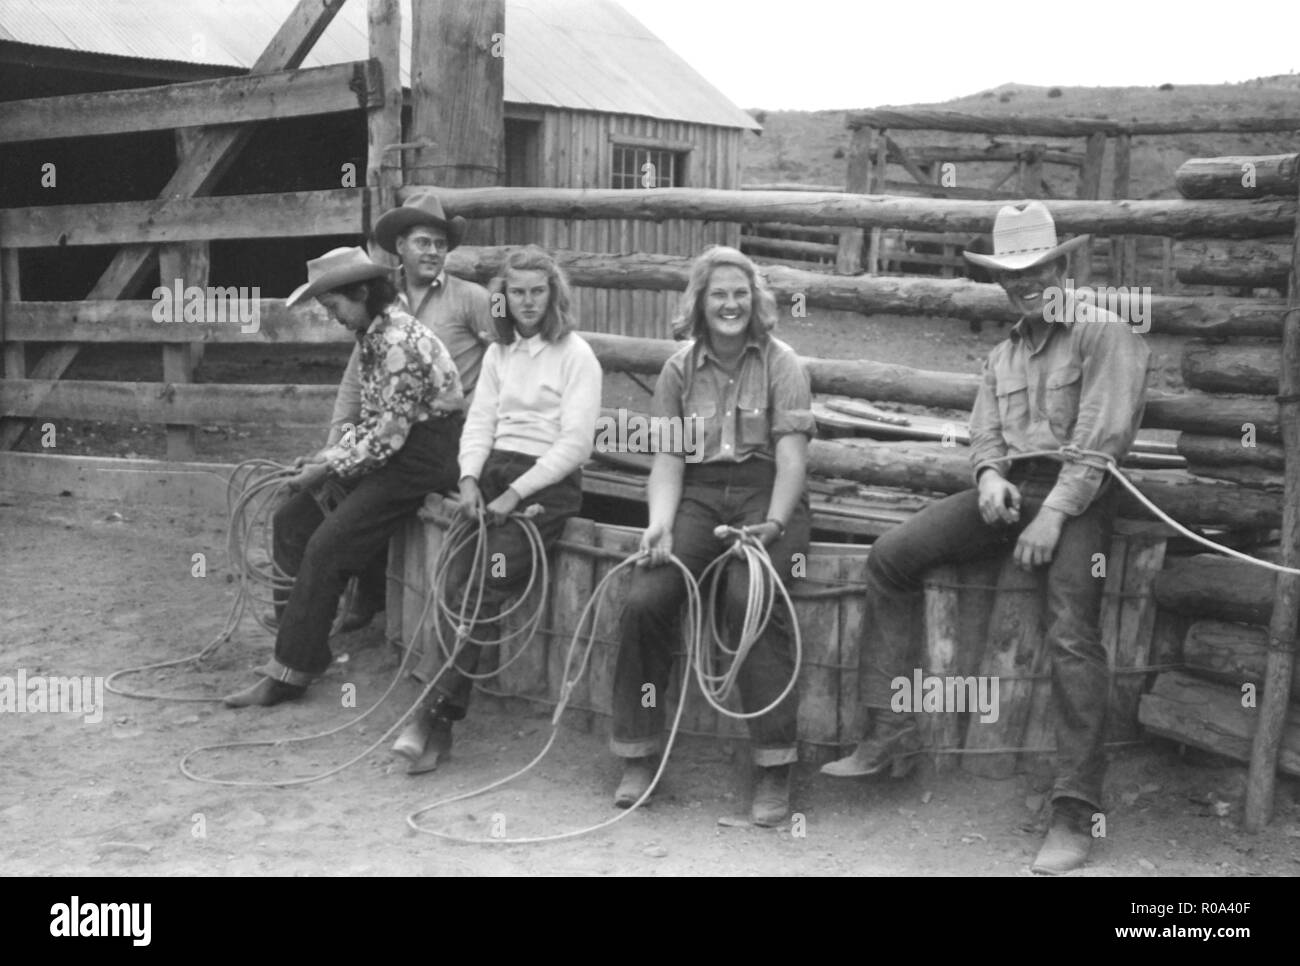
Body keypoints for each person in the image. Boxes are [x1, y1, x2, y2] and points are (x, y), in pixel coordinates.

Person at [820, 201, 1151, 875]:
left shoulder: (1104, 334)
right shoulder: (1003, 352)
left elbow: (1101, 443)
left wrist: (1053, 514)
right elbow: (985, 434)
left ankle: (1075, 810)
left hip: (1080, 495)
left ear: (1062, 265)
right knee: (890, 559)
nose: (1022, 283)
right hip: (1013, 493)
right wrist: (990, 475)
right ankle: (888, 730)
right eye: (1009, 273)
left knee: (1070, 628)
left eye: (1034, 269)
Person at [608, 246, 814, 827]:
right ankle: (639, 754)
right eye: (718, 294)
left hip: (768, 490)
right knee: (646, 599)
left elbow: (792, 460)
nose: (730, 304)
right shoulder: (678, 369)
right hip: (698, 493)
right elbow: (669, 459)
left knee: (748, 596)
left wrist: (772, 526)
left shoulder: (783, 362)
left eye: (740, 294)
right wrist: (661, 524)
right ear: (700, 302)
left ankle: (774, 767)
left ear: (756, 302)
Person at [223, 247, 466, 708]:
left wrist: (327, 467)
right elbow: (373, 426)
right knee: (293, 519)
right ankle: (294, 641)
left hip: (422, 458)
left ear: (361, 292)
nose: (333, 316)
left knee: (326, 545)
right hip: (393, 450)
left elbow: (387, 440)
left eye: (334, 306)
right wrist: (325, 457)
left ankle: (292, 672)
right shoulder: (372, 335)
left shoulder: (397, 342)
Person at [393, 245, 603, 774]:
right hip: (492, 475)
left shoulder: (577, 356)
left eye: (538, 292)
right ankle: (437, 728)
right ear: (503, 298)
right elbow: (480, 421)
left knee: (487, 585)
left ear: (553, 295)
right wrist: (468, 478)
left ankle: (430, 716)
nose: (528, 303)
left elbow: (575, 445)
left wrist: (516, 495)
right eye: (517, 293)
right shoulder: (498, 354)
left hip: (546, 484)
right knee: (452, 581)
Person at [321, 193, 495, 632]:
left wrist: (477, 415)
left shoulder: (471, 299)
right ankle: (360, 591)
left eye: (440, 243)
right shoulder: (378, 298)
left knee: (375, 483)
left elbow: (504, 363)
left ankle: (365, 597)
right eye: (423, 242)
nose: (433, 251)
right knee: (338, 481)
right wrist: (335, 448)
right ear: (399, 245)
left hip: (447, 434)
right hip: (389, 431)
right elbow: (353, 385)